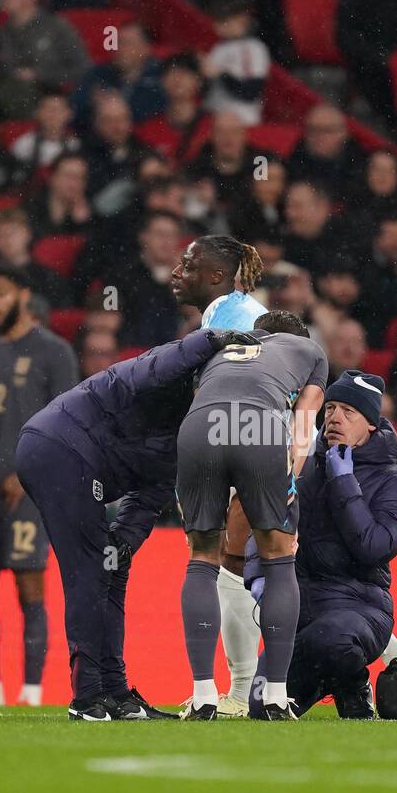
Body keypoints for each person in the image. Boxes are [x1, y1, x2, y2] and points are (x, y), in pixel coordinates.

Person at [16, 326, 258, 720]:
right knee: (91, 570)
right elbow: (162, 363)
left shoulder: (190, 430)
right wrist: (212, 339)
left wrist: (124, 540)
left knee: (112, 568)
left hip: (64, 452)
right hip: (60, 446)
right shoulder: (157, 377)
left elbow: (152, 492)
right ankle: (87, 696)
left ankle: (114, 691)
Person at [176, 310, 327, 720]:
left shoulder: (221, 348)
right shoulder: (309, 351)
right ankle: (275, 696)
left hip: (198, 428)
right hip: (260, 426)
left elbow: (200, 400)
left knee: (202, 559)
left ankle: (203, 693)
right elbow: (303, 427)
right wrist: (287, 484)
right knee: (279, 560)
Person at [245, 369, 397, 718]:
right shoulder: (304, 469)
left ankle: (352, 682)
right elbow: (266, 524)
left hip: (362, 608)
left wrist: (345, 482)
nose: (334, 418)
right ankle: (332, 678)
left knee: (333, 639)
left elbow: (374, 548)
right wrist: (258, 575)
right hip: (299, 612)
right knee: (261, 707)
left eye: (347, 411)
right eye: (330, 409)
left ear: (370, 424)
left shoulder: (393, 481)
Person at [0, 265, 78, 706]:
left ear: (23, 294)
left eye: (0, 293)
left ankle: (31, 691)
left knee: (30, 586)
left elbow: (66, 421)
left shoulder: (55, 352)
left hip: (31, 491)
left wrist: (32, 472)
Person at [170, 233, 268, 714]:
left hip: (241, 438)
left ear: (214, 276)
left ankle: (237, 692)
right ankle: (250, 691)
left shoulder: (227, 315)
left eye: (187, 265)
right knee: (269, 565)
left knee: (221, 560)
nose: (176, 272)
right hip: (271, 440)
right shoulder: (241, 311)